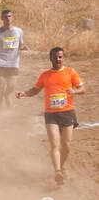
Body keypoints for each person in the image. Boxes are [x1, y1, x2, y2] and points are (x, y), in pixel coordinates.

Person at [17, 47, 85, 185]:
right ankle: (58, 172)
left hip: (67, 112)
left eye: (60, 57)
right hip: (51, 114)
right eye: (55, 57)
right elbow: (35, 90)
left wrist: (74, 91)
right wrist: (24, 93)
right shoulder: (45, 75)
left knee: (66, 145)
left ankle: (62, 165)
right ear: (50, 59)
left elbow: (83, 89)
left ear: (63, 58)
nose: (57, 60)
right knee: (55, 144)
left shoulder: (70, 72)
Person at [0, 9, 26, 112]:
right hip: (0, 62)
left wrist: (23, 47)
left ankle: (6, 96)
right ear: (2, 18)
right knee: (1, 84)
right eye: (5, 17)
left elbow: (21, 44)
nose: (8, 18)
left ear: (13, 18)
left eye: (9, 16)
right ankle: (0, 106)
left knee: (11, 86)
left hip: (13, 63)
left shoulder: (19, 31)